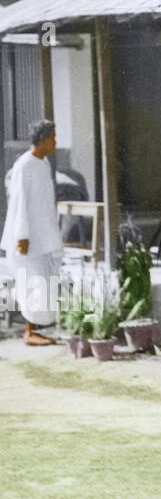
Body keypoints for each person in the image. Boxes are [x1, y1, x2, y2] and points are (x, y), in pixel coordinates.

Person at [1, 120, 62, 346]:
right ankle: (29, 332)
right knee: (31, 281)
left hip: (42, 233)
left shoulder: (42, 163)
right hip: (26, 237)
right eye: (53, 139)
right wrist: (22, 236)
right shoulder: (24, 165)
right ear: (44, 139)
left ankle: (33, 329)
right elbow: (18, 203)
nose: (55, 143)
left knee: (43, 281)